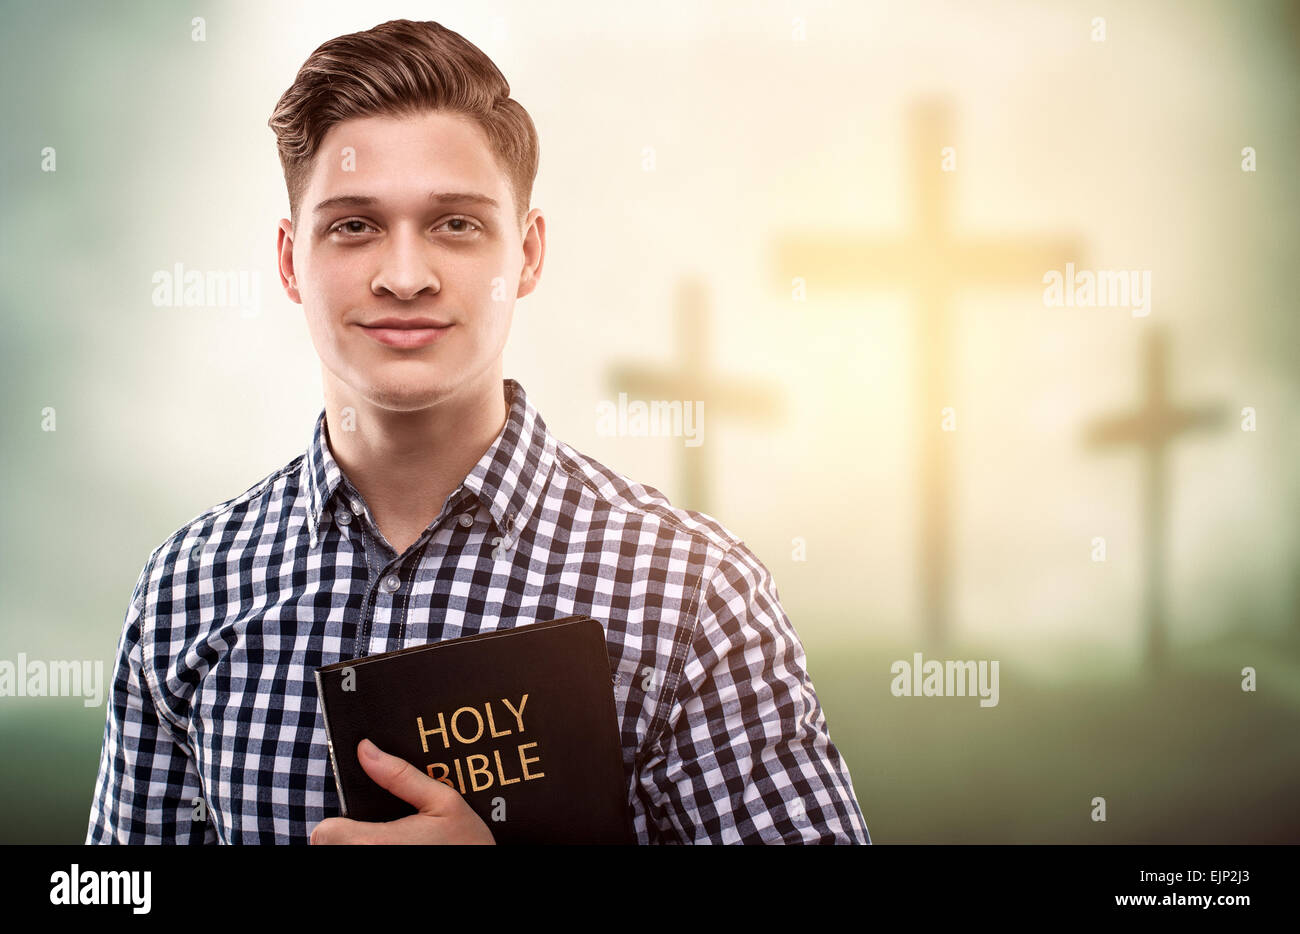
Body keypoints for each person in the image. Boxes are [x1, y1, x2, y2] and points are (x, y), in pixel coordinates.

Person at [86, 18, 869, 845]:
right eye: (353, 225)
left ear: (526, 254)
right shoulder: (186, 589)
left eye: (455, 224)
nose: (404, 276)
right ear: (290, 261)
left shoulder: (690, 591)